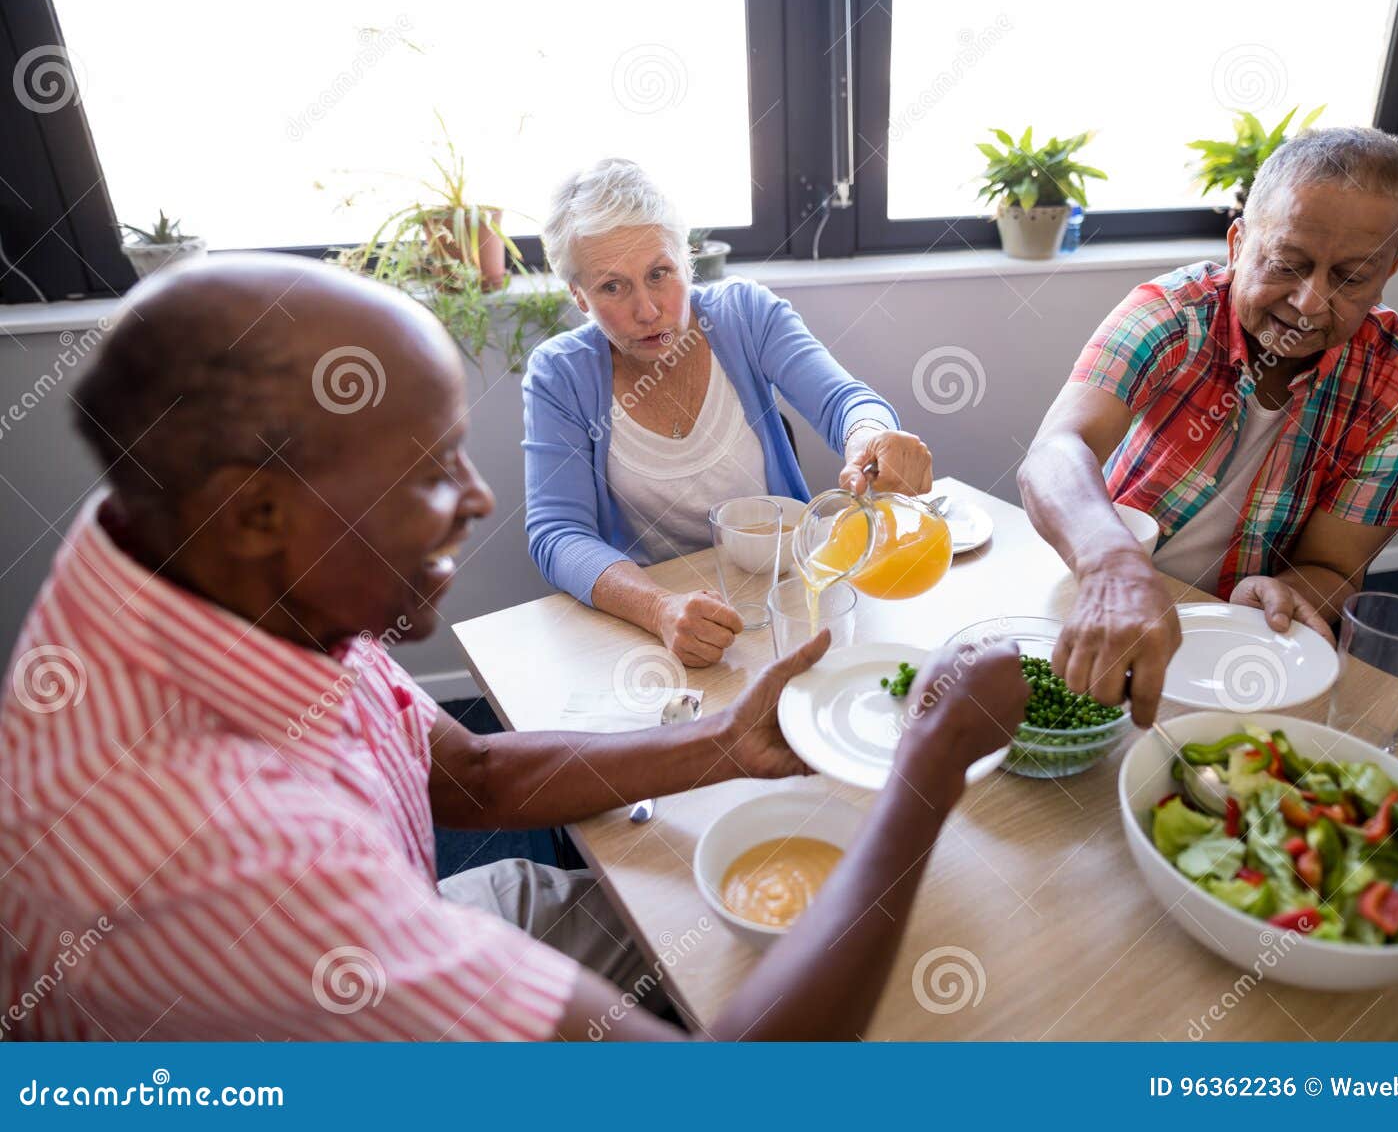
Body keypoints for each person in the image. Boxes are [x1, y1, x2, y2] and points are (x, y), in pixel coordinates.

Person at [0, 254, 1026, 1041]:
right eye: (433, 470)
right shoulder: (223, 866)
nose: (478, 501)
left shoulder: (205, 571)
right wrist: (925, 775)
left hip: (421, 892)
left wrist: (728, 740)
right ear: (256, 510)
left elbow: (472, 777)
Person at [1019, 128, 1398, 726]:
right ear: (1238, 242)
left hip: (1239, 640)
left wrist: (1290, 594)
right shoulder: (1171, 313)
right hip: (1100, 589)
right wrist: (1112, 565)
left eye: (1350, 277)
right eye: (1287, 264)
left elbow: (1333, 566)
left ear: (1390, 268)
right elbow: (1056, 451)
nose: (1310, 302)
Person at [524, 159, 934, 667]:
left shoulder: (745, 315)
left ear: (686, 263)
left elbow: (843, 401)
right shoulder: (559, 375)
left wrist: (871, 435)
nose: (648, 309)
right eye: (613, 286)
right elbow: (557, 533)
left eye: (659, 274)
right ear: (579, 297)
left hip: (784, 592)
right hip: (658, 616)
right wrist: (659, 608)